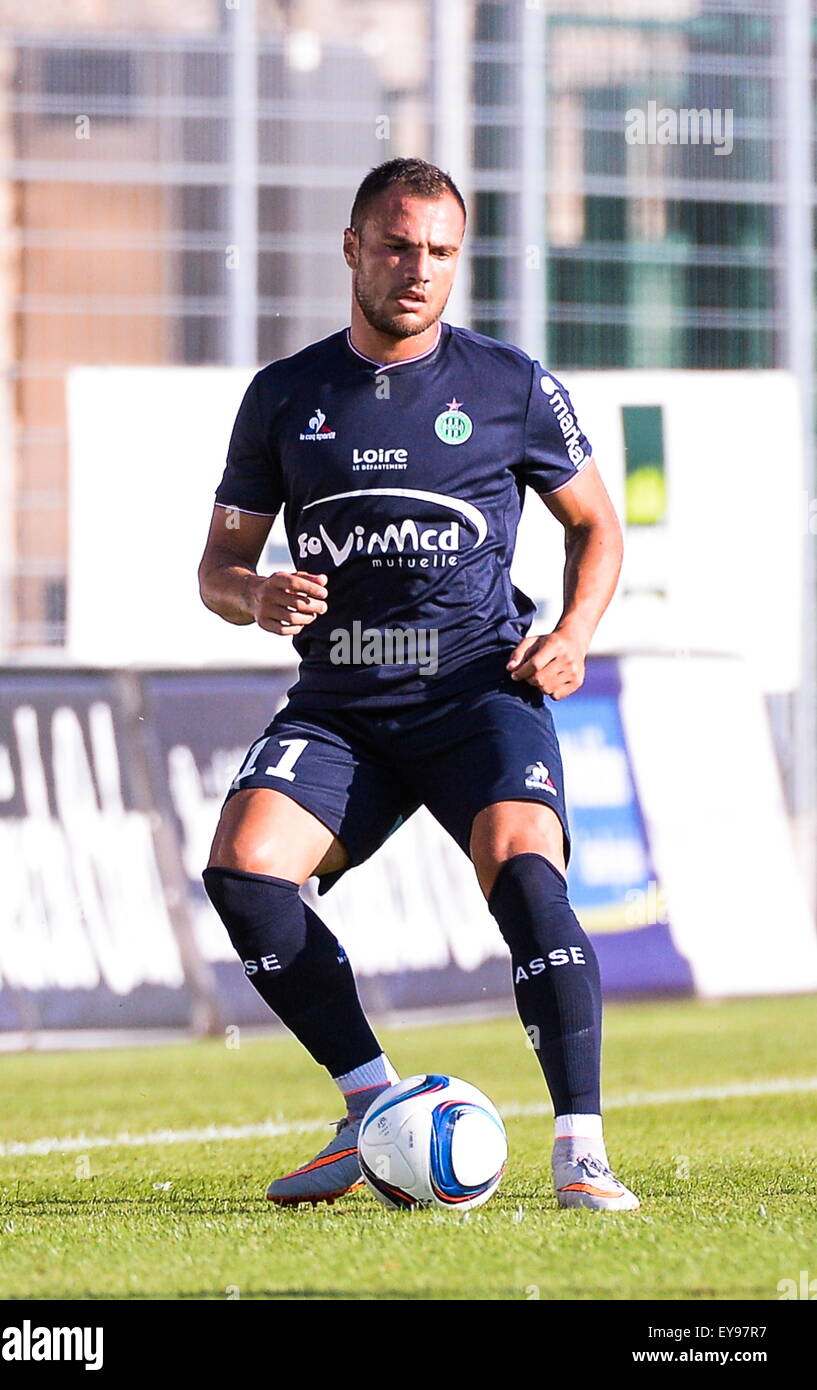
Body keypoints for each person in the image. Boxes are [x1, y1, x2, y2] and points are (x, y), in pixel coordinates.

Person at [198, 157, 638, 1212]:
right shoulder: (284, 395)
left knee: (525, 866)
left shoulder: (510, 386)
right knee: (245, 871)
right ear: (352, 249)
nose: (418, 269)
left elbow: (597, 528)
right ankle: (371, 1103)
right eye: (397, 246)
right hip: (343, 701)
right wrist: (251, 597)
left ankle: (579, 1149)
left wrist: (571, 635)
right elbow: (217, 567)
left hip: (475, 695)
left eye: (440, 251)